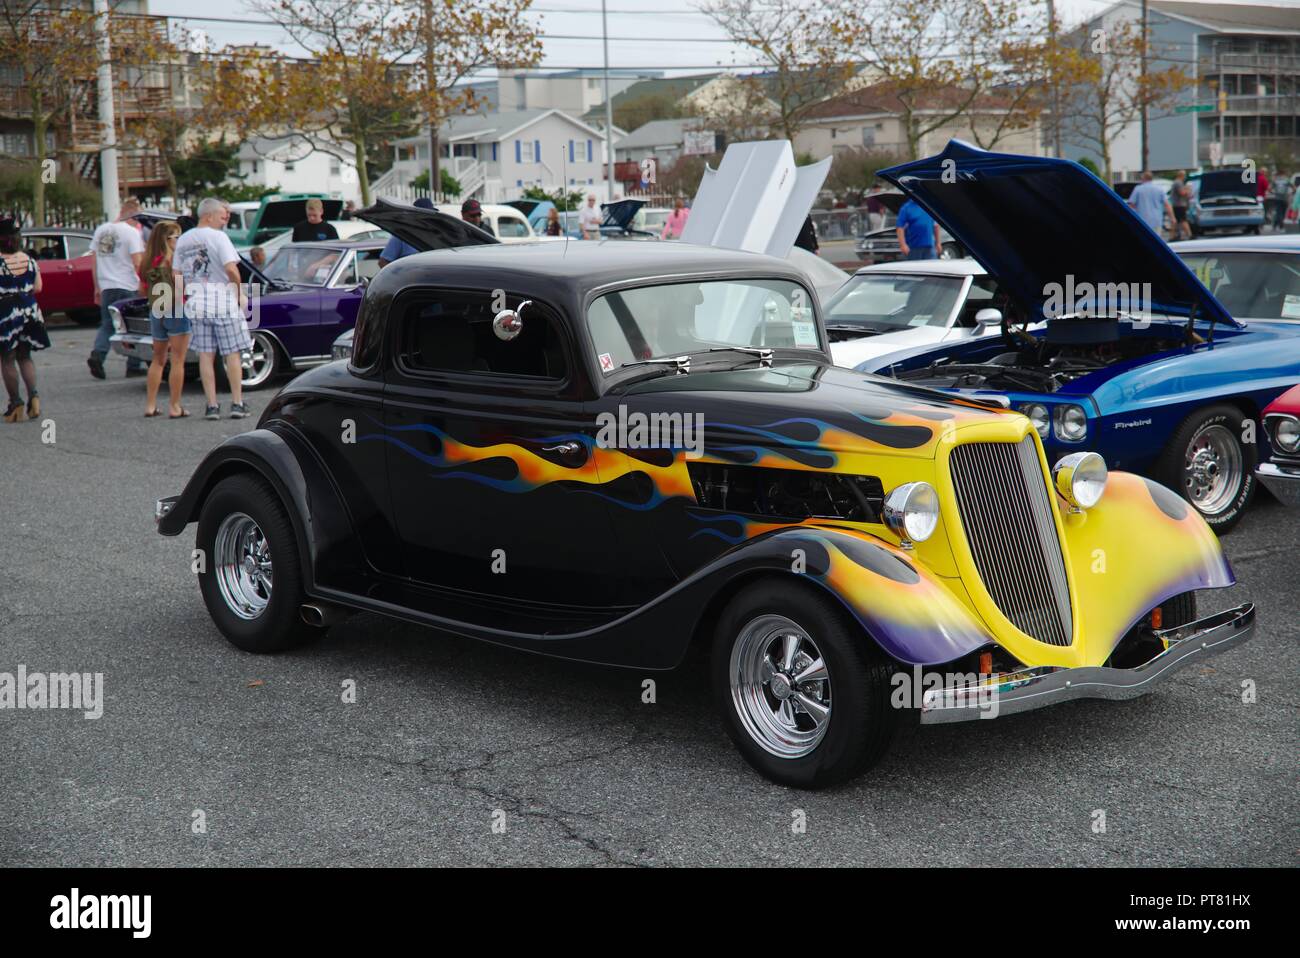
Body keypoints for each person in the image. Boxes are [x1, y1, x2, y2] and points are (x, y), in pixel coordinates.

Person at [174, 197, 250, 420]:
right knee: (232, 354)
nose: (224, 219)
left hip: (197, 303)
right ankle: (237, 403)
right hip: (222, 301)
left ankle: (212, 405)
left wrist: (182, 299)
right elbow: (232, 270)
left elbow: (176, 274)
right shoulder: (219, 237)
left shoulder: (183, 240)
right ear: (208, 216)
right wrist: (238, 292)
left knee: (205, 356)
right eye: (220, 216)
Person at [88, 196, 146, 379]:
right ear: (133, 216)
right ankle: (133, 365)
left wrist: (97, 287)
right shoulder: (131, 233)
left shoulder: (101, 230)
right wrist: (145, 282)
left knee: (107, 324)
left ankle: (98, 353)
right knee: (132, 327)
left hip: (107, 285)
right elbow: (137, 261)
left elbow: (94, 260)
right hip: (127, 284)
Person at [0, 218, 49, 423]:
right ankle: (34, 397)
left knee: (7, 358)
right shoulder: (29, 260)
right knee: (25, 355)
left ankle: (15, 402)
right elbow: (38, 287)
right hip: (29, 310)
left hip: (6, 311)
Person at [140, 221, 191, 418]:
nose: (179, 241)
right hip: (176, 309)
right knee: (178, 360)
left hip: (156, 309)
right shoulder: (174, 262)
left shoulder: (148, 261)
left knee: (158, 359)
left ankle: (150, 405)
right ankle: (174, 405)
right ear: (167, 239)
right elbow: (180, 289)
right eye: (177, 237)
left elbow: (142, 288)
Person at [378, 196, 435, 267]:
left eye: (430, 215)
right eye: (424, 215)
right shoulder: (402, 236)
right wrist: (399, 276)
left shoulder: (438, 236)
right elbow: (383, 262)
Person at [1127, 171, 1174, 238]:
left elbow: (1131, 205)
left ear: (1143, 178)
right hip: (1156, 220)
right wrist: (1172, 217)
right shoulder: (1159, 189)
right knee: (1156, 240)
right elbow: (1167, 204)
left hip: (1142, 220)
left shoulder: (1138, 189)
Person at [1170, 170, 1192, 241]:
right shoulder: (1178, 183)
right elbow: (1182, 193)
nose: (1185, 177)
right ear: (1182, 175)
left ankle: (1173, 236)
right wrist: (1188, 189)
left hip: (1176, 204)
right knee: (1183, 220)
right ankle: (1189, 235)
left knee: (1176, 221)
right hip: (1179, 205)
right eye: (1184, 176)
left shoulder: (1176, 182)